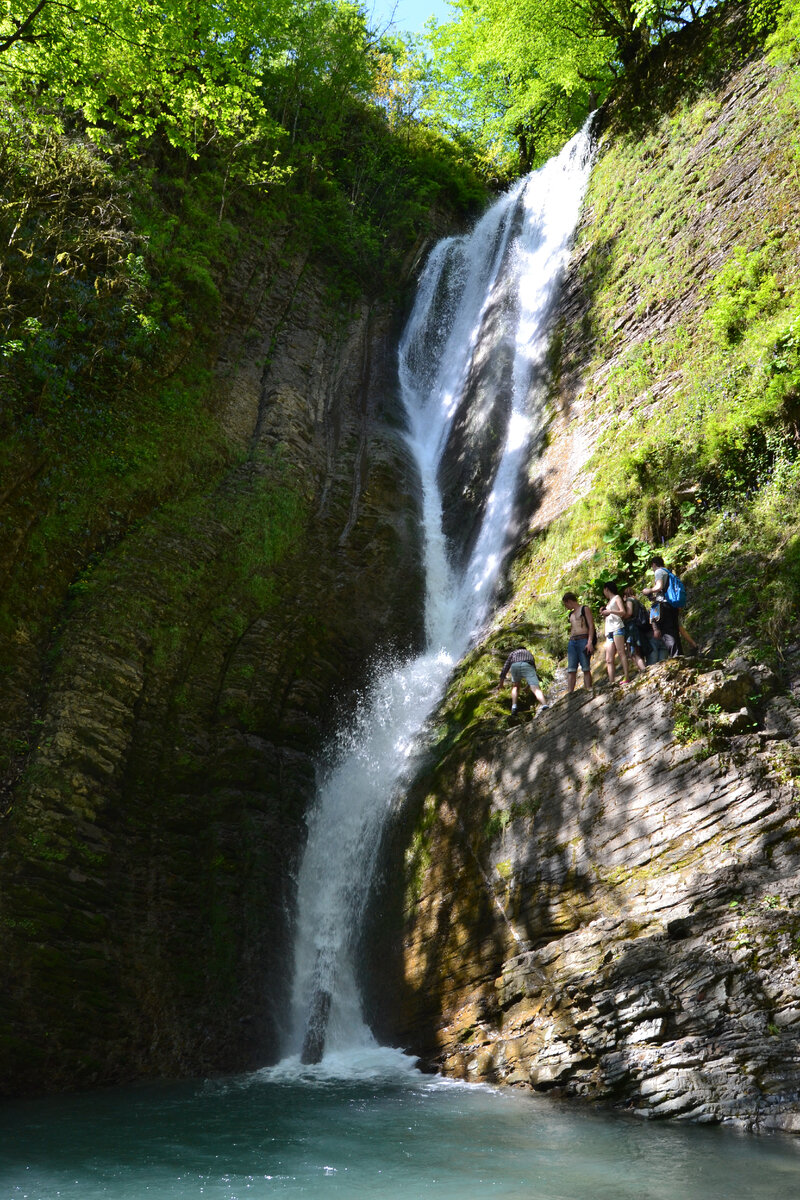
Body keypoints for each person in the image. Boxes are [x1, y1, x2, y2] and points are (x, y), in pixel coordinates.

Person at [643, 556, 682, 657]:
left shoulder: (659, 571)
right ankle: (680, 656)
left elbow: (659, 586)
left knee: (667, 632)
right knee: (674, 631)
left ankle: (675, 657)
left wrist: (649, 590)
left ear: (654, 564)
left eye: (652, 566)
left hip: (665, 606)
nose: (652, 568)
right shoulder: (667, 572)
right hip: (672, 605)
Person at [498, 647, 549, 716]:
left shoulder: (513, 653)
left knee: (515, 686)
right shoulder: (529, 653)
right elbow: (533, 670)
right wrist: (528, 687)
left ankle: (514, 707)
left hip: (514, 665)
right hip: (527, 664)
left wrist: (501, 684)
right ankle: (545, 705)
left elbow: (505, 667)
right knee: (535, 688)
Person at [562, 592, 596, 693]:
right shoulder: (570, 614)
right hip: (572, 642)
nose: (566, 607)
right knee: (571, 669)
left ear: (569, 601)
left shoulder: (584, 609)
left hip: (583, 639)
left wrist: (589, 642)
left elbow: (591, 625)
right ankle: (570, 692)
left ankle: (588, 690)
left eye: (565, 604)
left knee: (585, 667)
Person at [599, 581, 630, 684]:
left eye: (604, 590)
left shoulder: (617, 598)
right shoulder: (608, 602)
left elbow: (623, 612)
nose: (604, 592)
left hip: (617, 627)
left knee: (621, 652)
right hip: (609, 630)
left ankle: (626, 676)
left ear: (607, 589)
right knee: (608, 658)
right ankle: (611, 682)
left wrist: (610, 611)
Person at [621, 585, 649, 673]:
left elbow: (629, 613)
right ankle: (643, 668)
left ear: (625, 596)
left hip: (632, 627)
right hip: (639, 626)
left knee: (633, 653)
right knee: (639, 651)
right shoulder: (637, 601)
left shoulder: (629, 600)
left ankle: (643, 670)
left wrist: (622, 618)